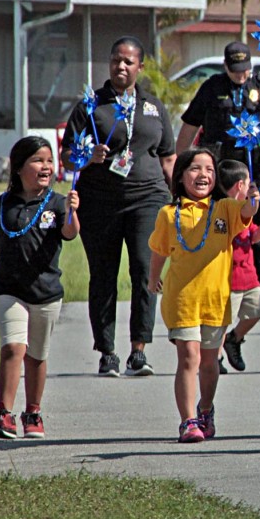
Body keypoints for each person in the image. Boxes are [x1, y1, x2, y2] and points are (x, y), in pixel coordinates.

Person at [62, 36, 175, 378]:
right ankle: (107, 351)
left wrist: (179, 197)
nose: (121, 66)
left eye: (128, 61)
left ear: (140, 67)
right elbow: (68, 155)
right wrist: (86, 157)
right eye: (115, 60)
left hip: (148, 199)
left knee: (144, 270)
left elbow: (168, 158)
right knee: (103, 275)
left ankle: (139, 350)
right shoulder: (90, 106)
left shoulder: (153, 108)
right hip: (100, 203)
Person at [0, 136, 80, 439]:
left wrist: (72, 212)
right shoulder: (4, 203)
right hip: (8, 288)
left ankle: (33, 412)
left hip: (45, 291)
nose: (45, 166)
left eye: (48, 161)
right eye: (37, 160)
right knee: (13, 348)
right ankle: (3, 413)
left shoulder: (57, 202)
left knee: (37, 356)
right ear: (18, 168)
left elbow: (69, 233)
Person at [147, 148, 258, 442]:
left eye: (209, 170)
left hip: (215, 301)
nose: (203, 175)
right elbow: (159, 250)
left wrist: (251, 200)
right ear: (181, 176)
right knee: (189, 358)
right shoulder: (168, 214)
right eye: (195, 169)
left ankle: (205, 408)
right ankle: (188, 422)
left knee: (209, 362)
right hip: (181, 299)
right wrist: (152, 278)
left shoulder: (224, 209)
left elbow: (246, 213)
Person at [176, 41, 260, 293]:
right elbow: (189, 127)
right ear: (225, 66)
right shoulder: (212, 88)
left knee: (259, 242)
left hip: (257, 178)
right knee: (219, 236)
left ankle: (254, 294)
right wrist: (179, 168)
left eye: (245, 69)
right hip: (221, 178)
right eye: (235, 69)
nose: (241, 75)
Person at [218, 160, 260, 374]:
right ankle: (216, 356)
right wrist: (254, 202)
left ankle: (235, 338)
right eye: (248, 184)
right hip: (229, 278)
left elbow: (254, 238)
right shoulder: (226, 209)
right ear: (239, 186)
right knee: (223, 320)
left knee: (256, 310)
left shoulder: (244, 212)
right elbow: (249, 210)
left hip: (248, 275)